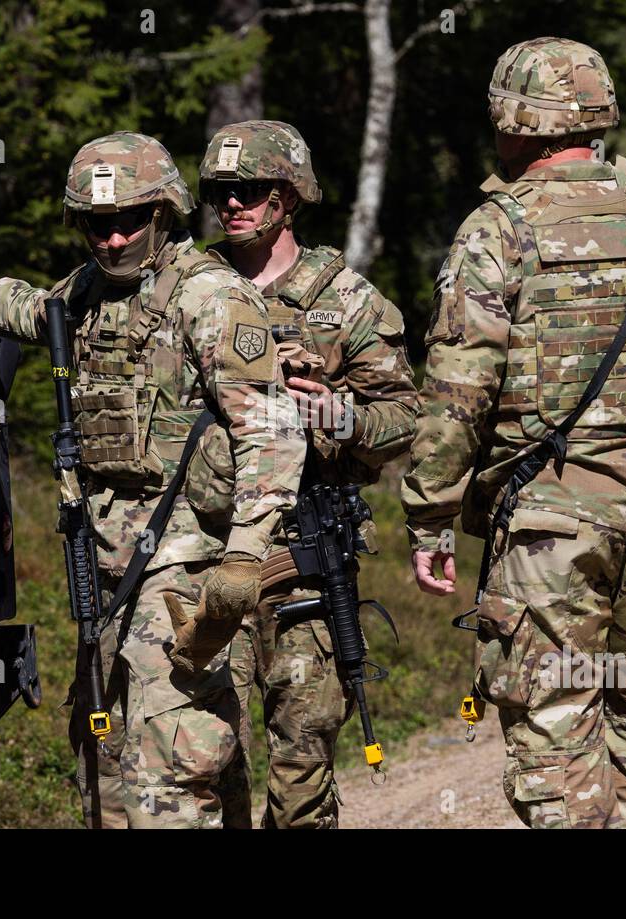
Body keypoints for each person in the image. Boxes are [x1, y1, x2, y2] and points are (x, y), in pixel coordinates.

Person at [0, 131, 305, 829]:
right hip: (108, 564)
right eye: (99, 224)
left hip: (187, 564)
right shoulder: (90, 290)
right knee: (108, 763)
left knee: (170, 765)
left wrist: (245, 557)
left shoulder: (209, 298)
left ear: (165, 215)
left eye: (130, 220)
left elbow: (271, 431)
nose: (114, 237)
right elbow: (36, 312)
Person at [401, 38, 626, 829]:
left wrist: (430, 514)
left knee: (552, 718)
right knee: (625, 698)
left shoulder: (498, 230)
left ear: (515, 119)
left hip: (549, 524)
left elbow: (458, 392)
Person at [197, 120, 419, 828]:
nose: (232, 204)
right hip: (205, 559)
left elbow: (408, 419)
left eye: (250, 190)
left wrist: (342, 416)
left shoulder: (344, 298)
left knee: (301, 769)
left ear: (288, 198)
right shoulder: (191, 286)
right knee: (206, 759)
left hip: (303, 569)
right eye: (220, 192)